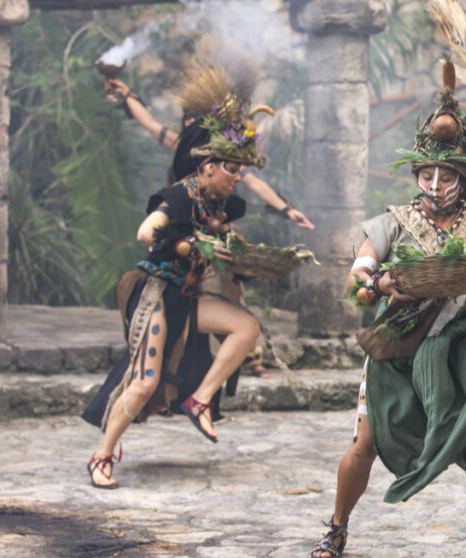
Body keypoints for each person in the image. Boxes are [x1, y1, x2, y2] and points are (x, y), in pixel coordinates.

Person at [310, 59, 466, 558]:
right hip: (397, 339)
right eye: (426, 173)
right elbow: (361, 269)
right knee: (363, 444)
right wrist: (374, 283)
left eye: (445, 174)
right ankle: (336, 524)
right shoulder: (392, 222)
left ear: (462, 176)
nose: (435, 184)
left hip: (459, 336)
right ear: (416, 173)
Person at [82, 62, 273, 488]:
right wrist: (191, 245)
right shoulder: (181, 196)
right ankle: (101, 456)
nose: (237, 177)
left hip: (186, 298)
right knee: (144, 384)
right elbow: (147, 231)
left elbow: (223, 232)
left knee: (246, 327)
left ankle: (200, 399)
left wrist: (231, 247)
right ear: (207, 166)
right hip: (156, 295)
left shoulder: (218, 205)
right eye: (231, 169)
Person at [105, 77, 312, 378]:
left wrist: (286, 209)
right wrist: (129, 97)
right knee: (180, 298)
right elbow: (149, 124)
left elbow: (252, 180)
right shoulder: (182, 164)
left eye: (195, 117)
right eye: (186, 117)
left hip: (214, 232)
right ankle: (173, 374)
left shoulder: (224, 160)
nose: (189, 122)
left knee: (228, 288)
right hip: (181, 234)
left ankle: (246, 356)